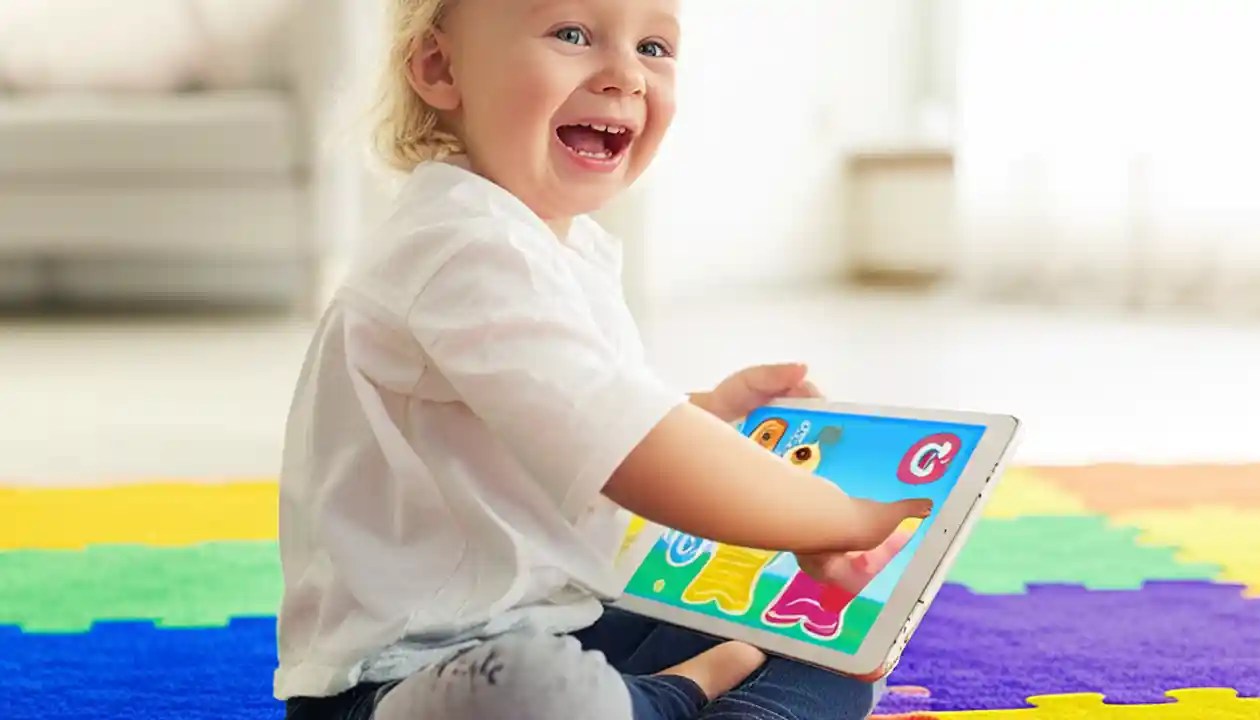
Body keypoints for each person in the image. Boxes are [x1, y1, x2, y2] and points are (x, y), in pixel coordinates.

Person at [274, 0, 931, 717]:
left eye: (654, 46)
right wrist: (837, 515)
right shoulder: (461, 244)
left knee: (825, 631)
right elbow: (631, 454)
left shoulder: (562, 247)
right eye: (572, 34)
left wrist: (700, 414)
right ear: (439, 67)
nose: (625, 75)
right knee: (541, 689)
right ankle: (681, 695)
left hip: (565, 624)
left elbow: (565, 424)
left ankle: (670, 697)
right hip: (416, 677)